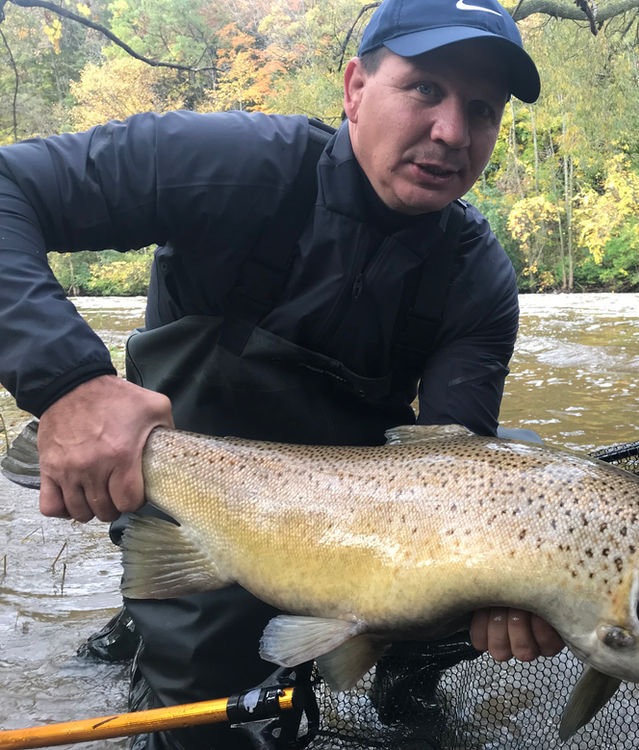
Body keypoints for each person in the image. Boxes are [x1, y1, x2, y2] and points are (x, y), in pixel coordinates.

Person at [0, 0, 563, 746]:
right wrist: (68, 382)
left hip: (355, 528)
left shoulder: (478, 278)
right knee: (202, 729)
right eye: (424, 88)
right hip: (194, 498)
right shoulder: (236, 163)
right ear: (356, 87)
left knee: (512, 491)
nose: (453, 133)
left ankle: (396, 670)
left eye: (482, 110)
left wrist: (505, 585)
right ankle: (147, 617)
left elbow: (450, 468)